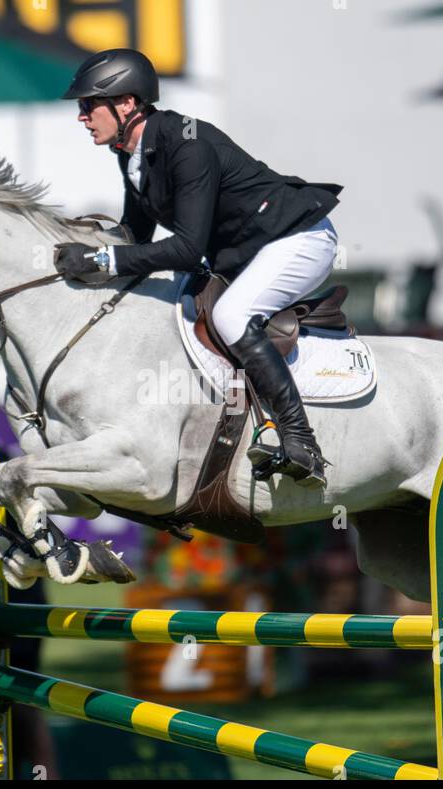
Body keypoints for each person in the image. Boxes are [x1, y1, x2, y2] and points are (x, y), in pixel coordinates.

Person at [52, 48, 343, 489]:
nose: (82, 116)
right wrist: (88, 248)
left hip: (297, 238)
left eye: (89, 104)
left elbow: (187, 249)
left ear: (126, 104)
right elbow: (136, 234)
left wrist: (100, 260)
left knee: (231, 315)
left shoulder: (188, 146)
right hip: (245, 252)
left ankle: (301, 441)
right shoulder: (129, 152)